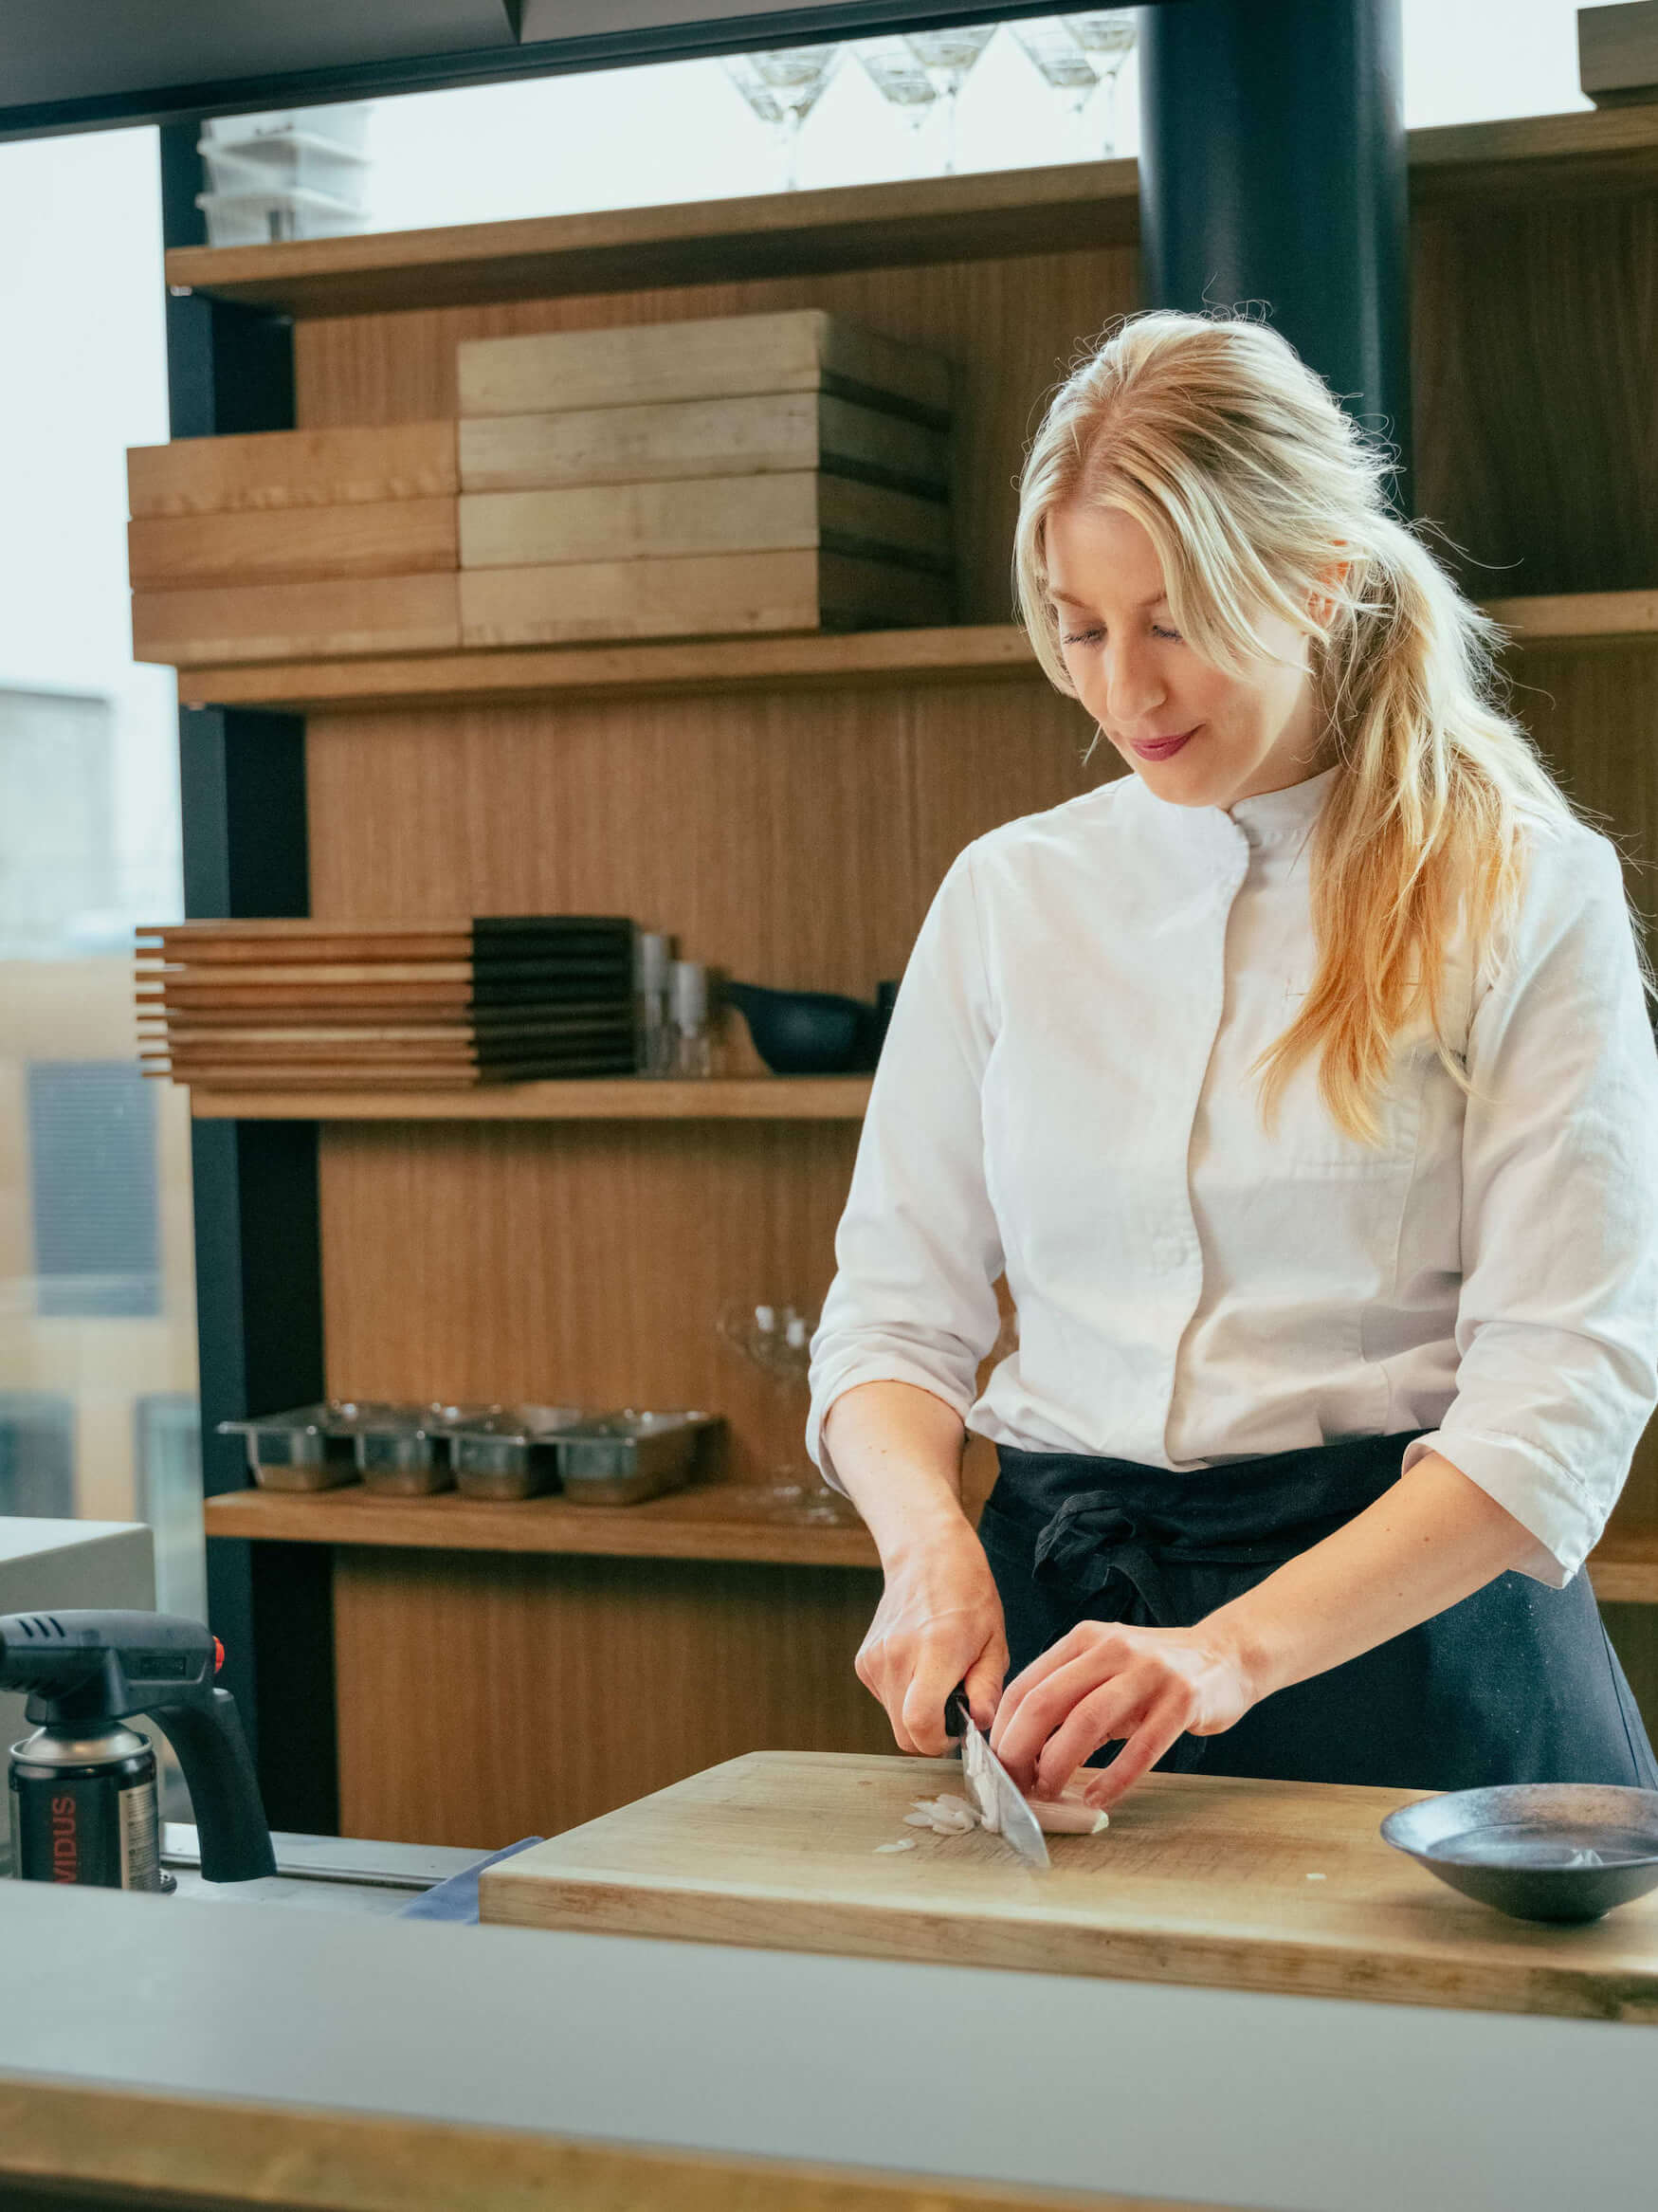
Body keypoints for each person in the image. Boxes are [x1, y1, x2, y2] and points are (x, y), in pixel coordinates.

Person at [804, 308, 1658, 1815]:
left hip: (1411, 1661)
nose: (1124, 690)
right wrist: (927, 1540)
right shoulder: (1009, 897)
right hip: (1064, 1674)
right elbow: (889, 1317)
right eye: (1081, 626)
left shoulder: (1526, 889)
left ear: (1321, 580)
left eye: (1176, 619)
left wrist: (1224, 1653)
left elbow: (1563, 1387)